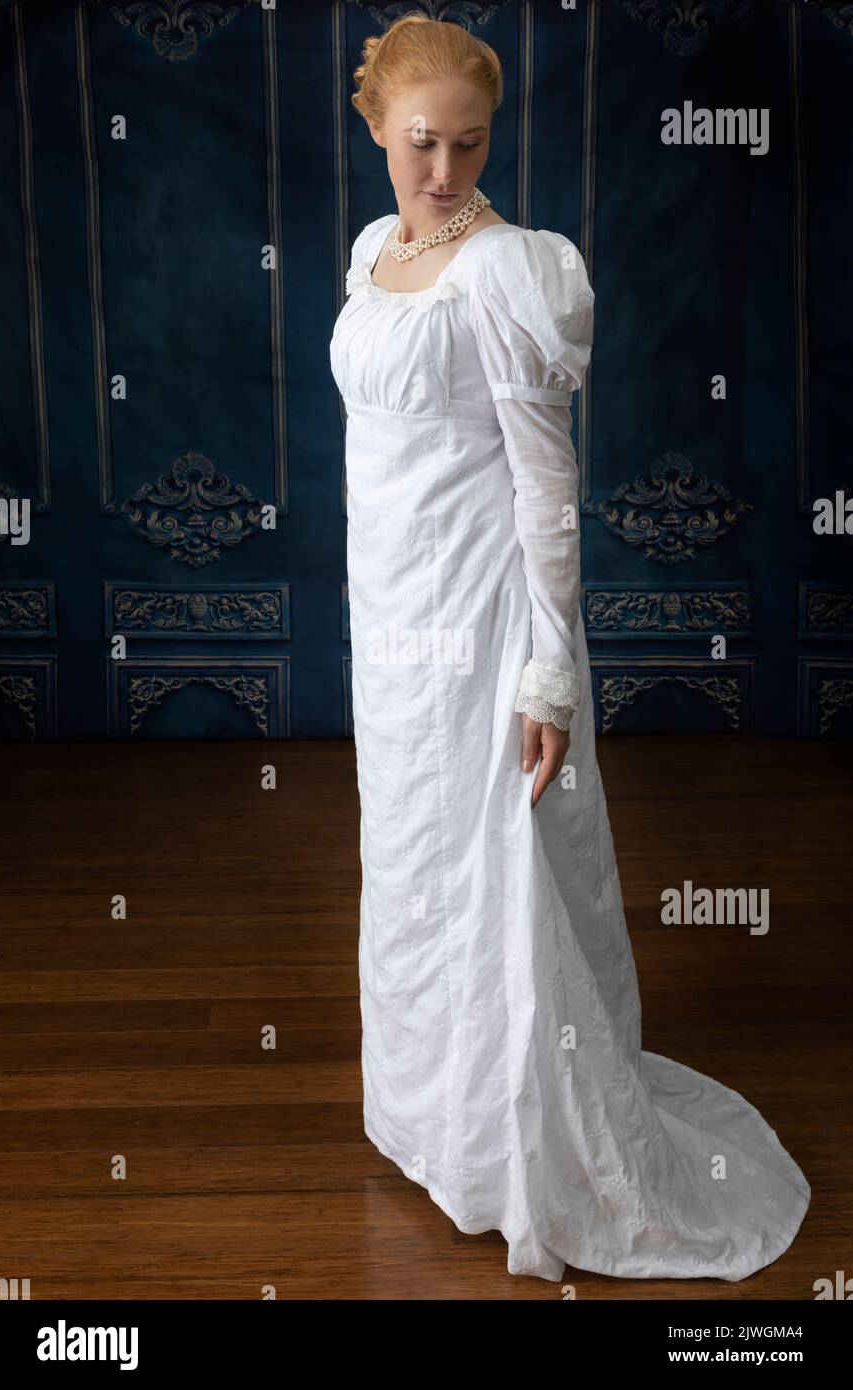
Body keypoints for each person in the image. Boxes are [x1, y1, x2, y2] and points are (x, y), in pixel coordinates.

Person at [329, 11, 810, 1282]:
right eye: (421, 142)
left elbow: (545, 492)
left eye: (469, 146)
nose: (444, 172)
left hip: (484, 619)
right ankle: (434, 1117)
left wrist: (546, 669)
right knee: (413, 854)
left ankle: (515, 1144)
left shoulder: (507, 272)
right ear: (375, 125)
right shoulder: (374, 249)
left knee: (499, 867)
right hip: (391, 624)